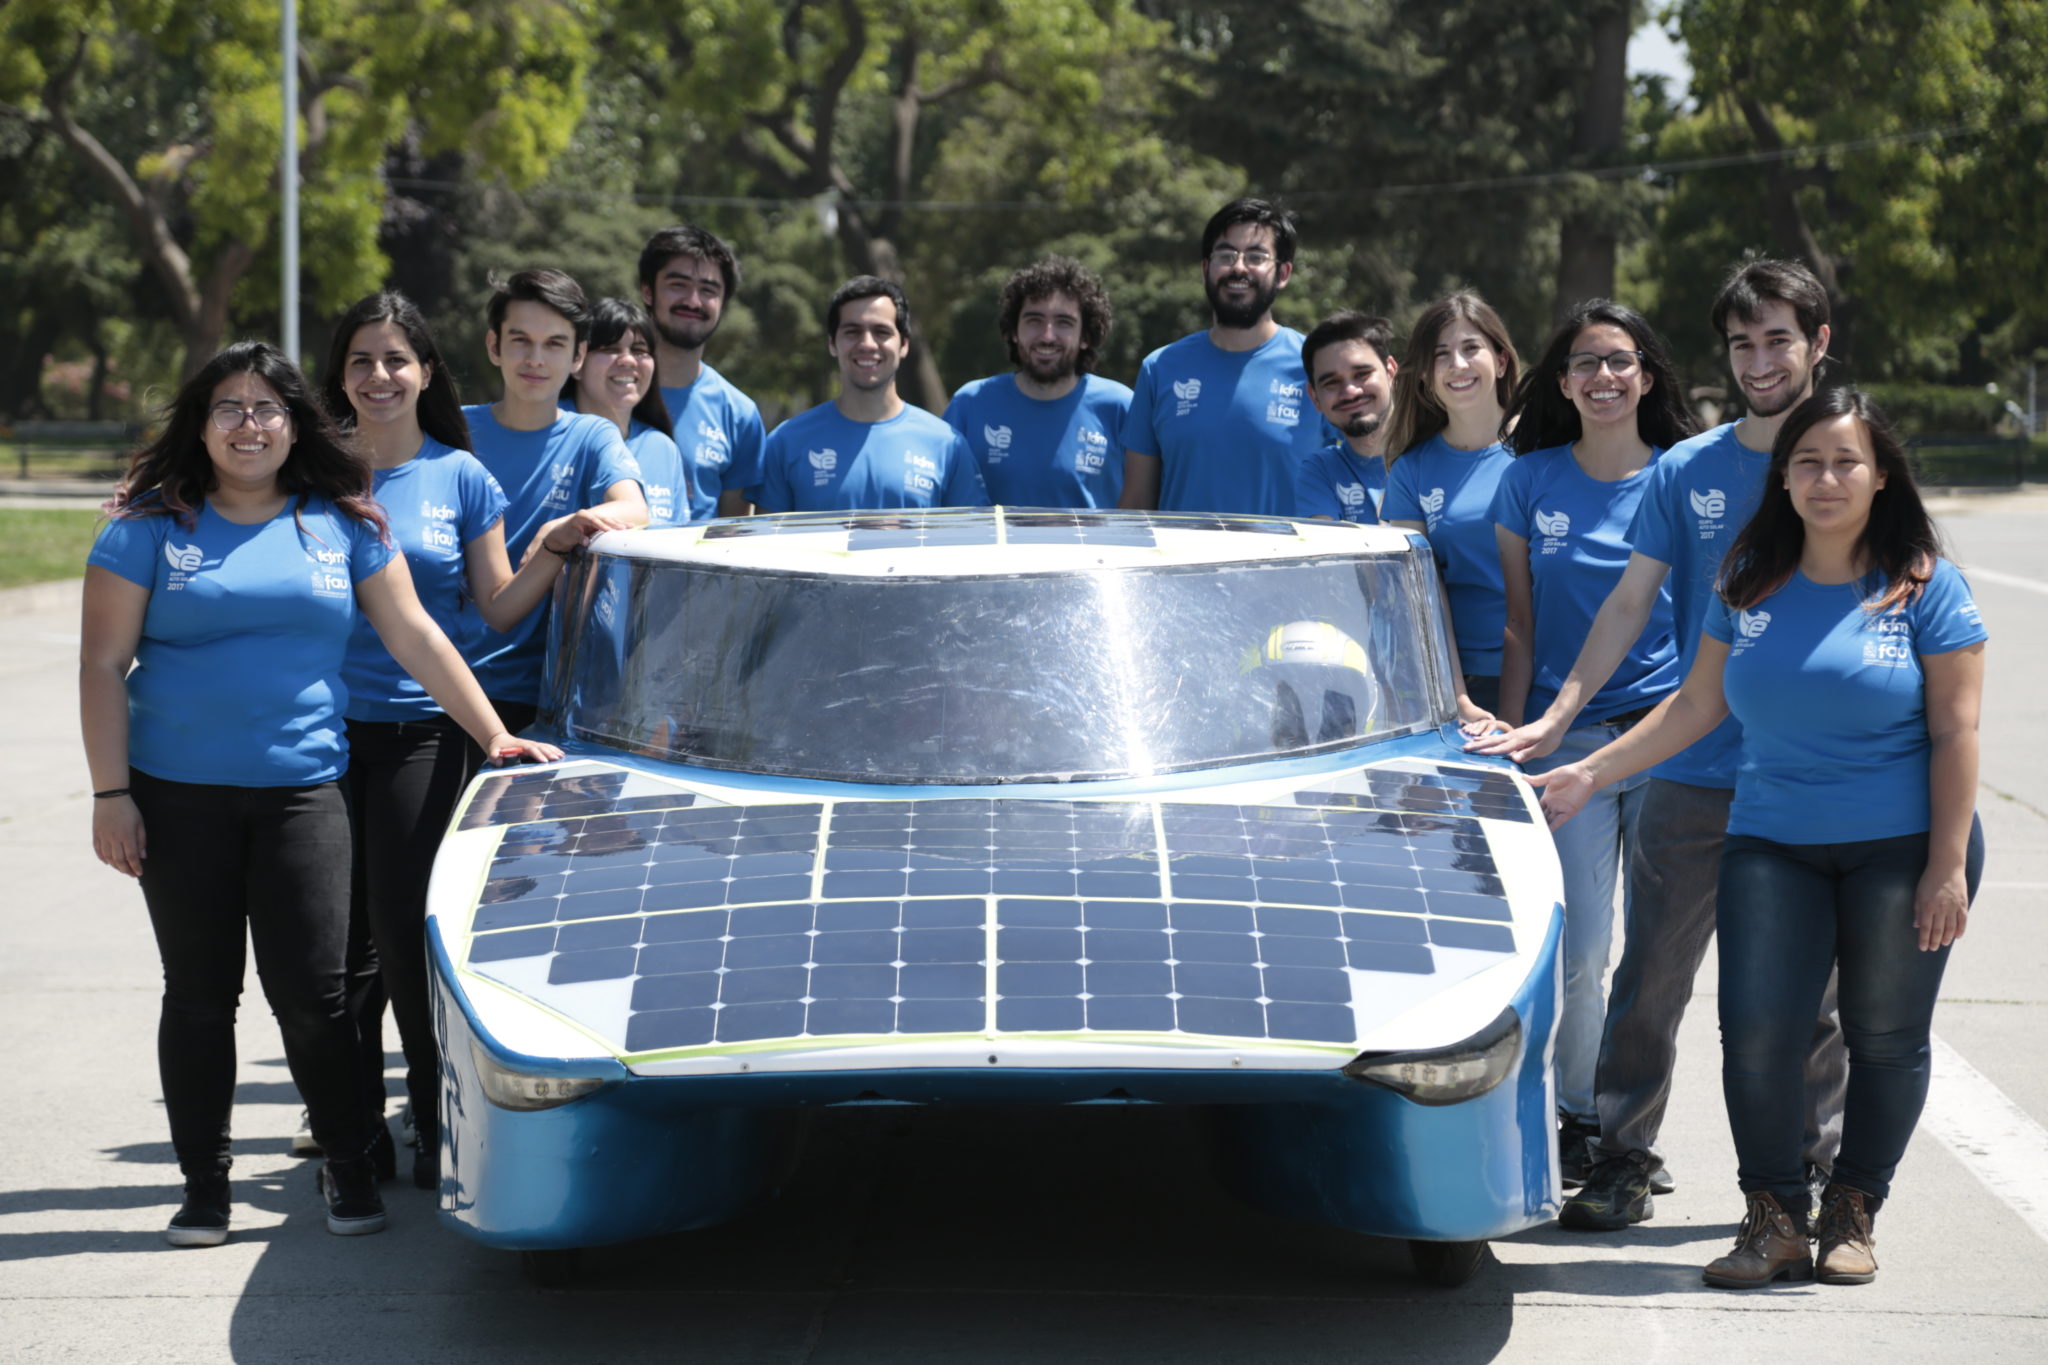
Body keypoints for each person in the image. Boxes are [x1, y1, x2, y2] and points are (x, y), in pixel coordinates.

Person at [80, 341, 560, 1247]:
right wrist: (112, 793)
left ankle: (345, 1162)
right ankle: (204, 1186)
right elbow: (102, 664)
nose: (249, 424)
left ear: (296, 423)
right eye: (229, 406)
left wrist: (490, 730)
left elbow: (416, 633)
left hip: (305, 790)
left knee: (317, 994)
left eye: (267, 408)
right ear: (202, 421)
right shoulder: (146, 526)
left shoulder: (344, 523)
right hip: (176, 797)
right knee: (198, 993)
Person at [1529, 389, 1985, 1289]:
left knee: (1884, 1035)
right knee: (1757, 1033)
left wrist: (1945, 867)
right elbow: (1696, 703)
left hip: (1904, 848)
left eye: (1846, 462)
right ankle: (1775, 1217)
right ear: (1784, 478)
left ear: (1880, 474)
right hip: (1772, 839)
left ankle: (1852, 1208)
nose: (1825, 479)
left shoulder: (1924, 582)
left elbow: (1957, 732)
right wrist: (1595, 770)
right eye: (1807, 463)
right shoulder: (1751, 573)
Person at [1470, 259, 1849, 1231]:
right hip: (1687, 766)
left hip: (1811, 778)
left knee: (1801, 996)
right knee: (1645, 981)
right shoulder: (1684, 471)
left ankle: (1810, 1187)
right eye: (1741, 342)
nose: (1758, 360)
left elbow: (1908, 602)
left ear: (1817, 346)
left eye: (1777, 339)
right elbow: (1625, 605)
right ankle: (1621, 1154)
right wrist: (1558, 721)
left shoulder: (1848, 460)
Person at [321, 293, 623, 1189]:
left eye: (396, 360)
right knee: (335, 953)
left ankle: (427, 1107)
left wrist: (562, 541)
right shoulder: (311, 470)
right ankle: (348, 1130)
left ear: (426, 373)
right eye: (361, 362)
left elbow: (496, 608)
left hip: (424, 731)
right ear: (340, 377)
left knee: (407, 937)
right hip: (319, 735)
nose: (380, 377)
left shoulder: (462, 475)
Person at [1488, 300, 1698, 1184]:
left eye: (1620, 361)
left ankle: (1626, 1130)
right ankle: (1578, 1114)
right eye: (1584, 363)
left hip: (1661, 741)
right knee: (1579, 952)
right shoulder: (1526, 480)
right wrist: (1512, 735)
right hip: (1560, 748)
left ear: (1646, 375)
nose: (1603, 378)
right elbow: (1520, 627)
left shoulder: (1682, 478)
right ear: (1562, 381)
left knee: (1654, 960)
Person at [464, 269, 648, 729]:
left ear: (578, 355)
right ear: (494, 347)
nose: (535, 359)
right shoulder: (455, 433)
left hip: (542, 694)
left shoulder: (591, 434)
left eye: (554, 344)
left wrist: (556, 528)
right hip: (447, 686)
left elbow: (635, 511)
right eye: (521, 340)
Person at [1118, 198, 1326, 516]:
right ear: (1206, 269)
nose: (1239, 267)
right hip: (1186, 566)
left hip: (1288, 566)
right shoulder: (1160, 368)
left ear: (1283, 273)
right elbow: (1136, 504)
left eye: (1256, 256)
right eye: (1226, 255)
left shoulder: (1318, 364)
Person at [1380, 291, 1519, 718]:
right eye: (1441, 355)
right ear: (1424, 375)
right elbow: (1419, 595)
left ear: (1500, 360)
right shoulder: (1411, 470)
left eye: (1471, 348)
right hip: (1468, 686)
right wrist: (1459, 699)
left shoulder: (1545, 448)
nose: (1458, 365)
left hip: (1559, 676)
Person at [751, 276, 989, 513]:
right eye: (852, 332)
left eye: (881, 332)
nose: (867, 344)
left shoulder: (947, 444)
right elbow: (765, 546)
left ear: (904, 344)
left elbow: (970, 542)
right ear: (832, 344)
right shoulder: (786, 442)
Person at [943, 256, 1132, 507]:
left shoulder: (1120, 407)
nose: (1047, 336)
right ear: (1012, 331)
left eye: (1064, 323)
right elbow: (941, 501)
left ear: (1085, 336)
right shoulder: (970, 403)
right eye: (1034, 321)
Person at [638, 225, 766, 518]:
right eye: (677, 285)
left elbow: (731, 537)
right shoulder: (607, 389)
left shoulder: (740, 415)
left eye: (708, 290)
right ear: (648, 291)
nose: (693, 301)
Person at [564, 297, 694, 526]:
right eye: (611, 349)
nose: (628, 361)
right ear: (577, 362)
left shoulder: (663, 449)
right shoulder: (550, 435)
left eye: (640, 350)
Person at [1296, 312, 1399, 523]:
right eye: (1331, 382)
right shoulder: (1321, 471)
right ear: (1314, 396)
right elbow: (1326, 552)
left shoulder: (1437, 452)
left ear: (1390, 372)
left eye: (1362, 374)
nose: (1350, 391)